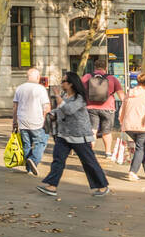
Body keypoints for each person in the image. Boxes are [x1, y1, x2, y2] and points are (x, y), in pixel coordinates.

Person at [38, 70, 110, 198]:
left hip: (79, 136)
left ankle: (102, 185)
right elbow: (61, 111)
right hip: (63, 135)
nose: (61, 83)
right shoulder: (65, 97)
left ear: (71, 84)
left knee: (89, 162)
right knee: (58, 160)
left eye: (63, 81)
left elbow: (69, 110)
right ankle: (52, 186)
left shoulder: (80, 99)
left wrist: (58, 97)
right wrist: (52, 114)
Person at [118, 72, 145, 181]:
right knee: (141, 147)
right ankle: (132, 172)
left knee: (142, 148)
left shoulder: (129, 93)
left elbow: (122, 110)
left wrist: (122, 121)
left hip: (129, 126)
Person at [12, 67, 50, 176]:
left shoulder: (19, 88)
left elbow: (15, 106)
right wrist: (45, 120)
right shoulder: (40, 89)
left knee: (27, 145)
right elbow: (46, 107)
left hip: (22, 121)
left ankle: (29, 169)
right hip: (37, 121)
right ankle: (33, 160)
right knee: (41, 142)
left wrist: (14, 122)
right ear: (38, 77)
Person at [81, 57, 122, 157]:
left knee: (92, 131)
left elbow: (79, 91)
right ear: (106, 67)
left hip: (91, 108)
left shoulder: (87, 77)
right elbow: (122, 96)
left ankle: (90, 153)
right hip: (108, 108)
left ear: (94, 67)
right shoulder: (112, 78)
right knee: (107, 131)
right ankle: (108, 153)